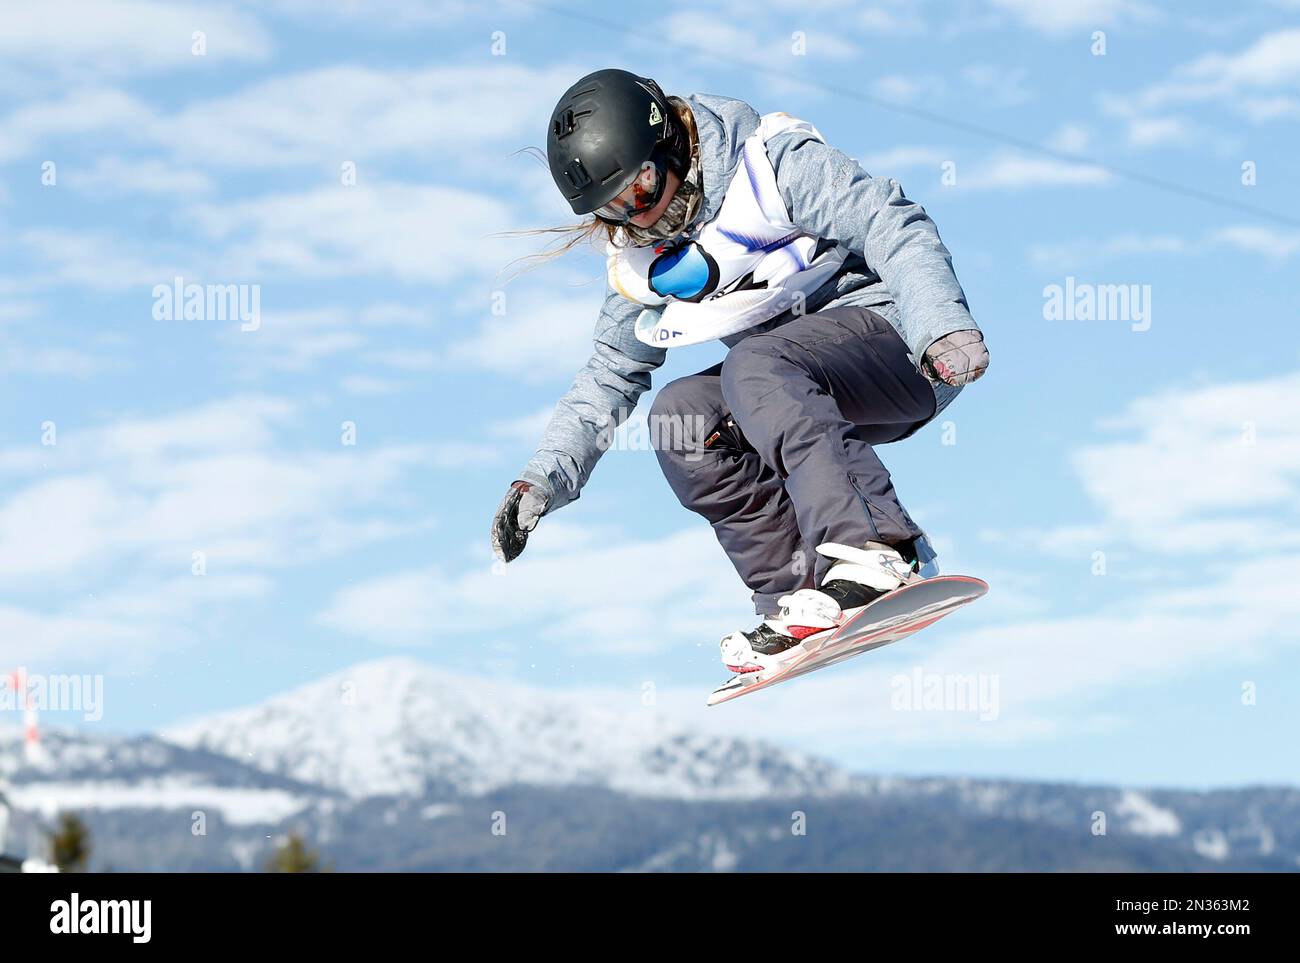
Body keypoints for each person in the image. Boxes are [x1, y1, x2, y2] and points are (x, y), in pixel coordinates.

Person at [491, 69, 988, 675]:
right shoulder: (643, 260)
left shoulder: (771, 168)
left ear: (670, 141)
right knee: (683, 417)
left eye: (642, 190)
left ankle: (876, 550)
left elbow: (893, 222)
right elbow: (612, 372)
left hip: (902, 350)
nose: (640, 219)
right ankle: (800, 595)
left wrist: (942, 324)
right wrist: (541, 480)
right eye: (616, 210)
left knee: (756, 364)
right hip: (792, 390)